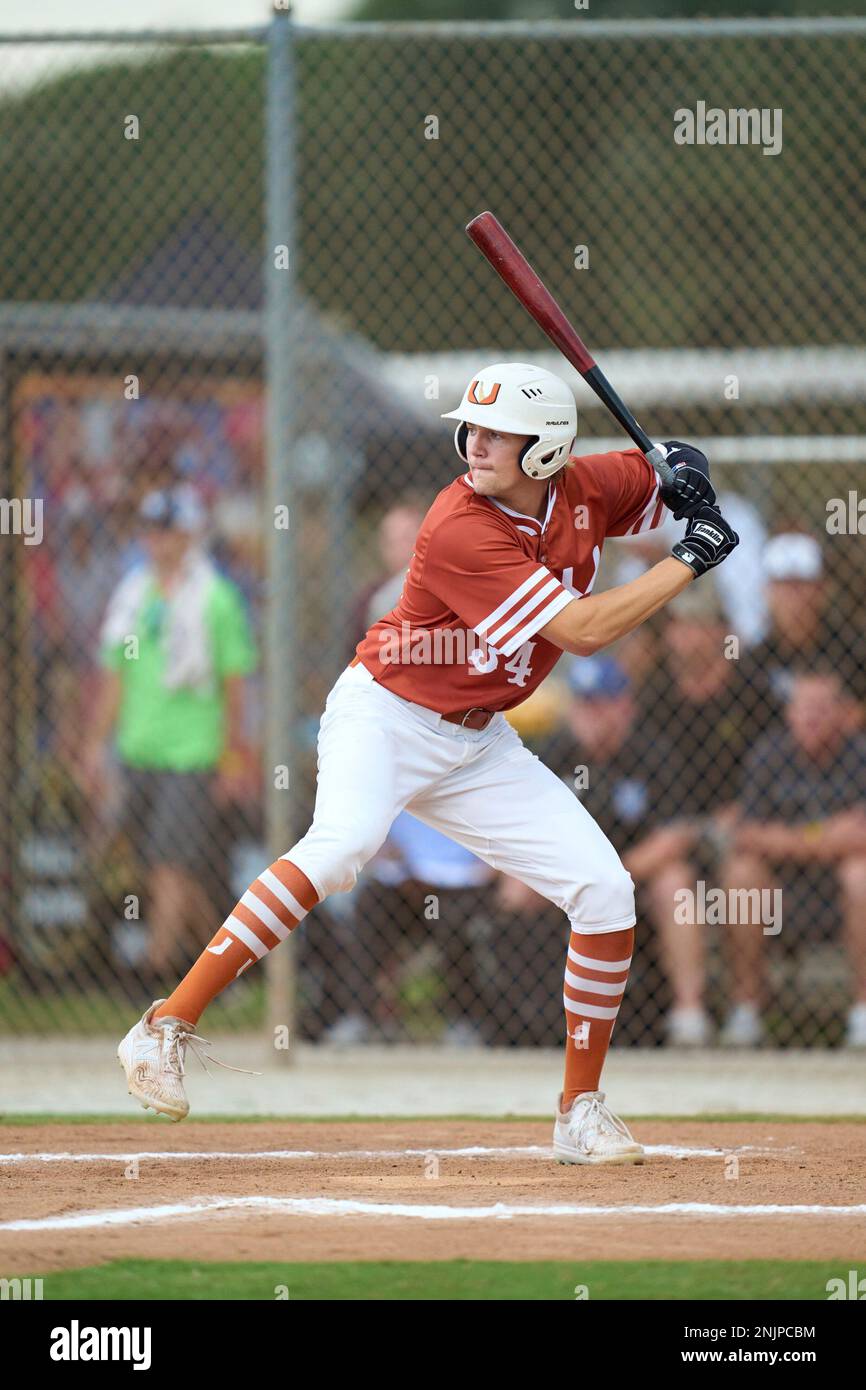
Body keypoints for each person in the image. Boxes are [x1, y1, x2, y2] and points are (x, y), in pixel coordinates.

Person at [118, 362, 738, 1165]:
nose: (473, 443)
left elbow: (670, 468)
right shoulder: (458, 525)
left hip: (479, 744)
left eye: (495, 434)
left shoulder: (585, 487)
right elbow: (582, 630)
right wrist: (687, 559)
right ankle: (163, 1025)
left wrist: (685, 474)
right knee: (341, 848)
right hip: (386, 714)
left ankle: (579, 1111)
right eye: (470, 427)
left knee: (606, 890)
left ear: (545, 450)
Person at [83, 485, 257, 985]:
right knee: (165, 867)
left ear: (188, 536)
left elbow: (235, 681)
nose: (158, 542)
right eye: (152, 532)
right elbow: (114, 673)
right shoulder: (131, 597)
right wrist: (96, 743)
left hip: (192, 751)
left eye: (169, 532)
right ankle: (230, 971)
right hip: (139, 747)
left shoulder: (216, 599)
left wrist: (233, 756)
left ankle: (156, 971)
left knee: (170, 862)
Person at [624, 583, 778, 1046]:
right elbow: (646, 776)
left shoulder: (750, 691)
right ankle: (689, 1014)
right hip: (676, 828)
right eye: (680, 627)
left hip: (744, 829)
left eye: (699, 626)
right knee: (672, 881)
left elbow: (774, 765)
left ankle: (746, 1010)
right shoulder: (656, 696)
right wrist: (682, 828)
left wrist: (742, 814)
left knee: (742, 875)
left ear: (722, 632)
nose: (687, 637)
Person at [726, 669, 866, 1048]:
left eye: (823, 708)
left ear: (843, 713)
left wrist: (784, 837)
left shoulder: (859, 755)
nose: (813, 718)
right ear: (789, 714)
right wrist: (823, 835)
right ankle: (748, 1008)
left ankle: (862, 1013)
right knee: (741, 874)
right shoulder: (770, 754)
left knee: (860, 873)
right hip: (781, 893)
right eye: (805, 709)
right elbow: (746, 835)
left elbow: (861, 836)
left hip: (841, 894)